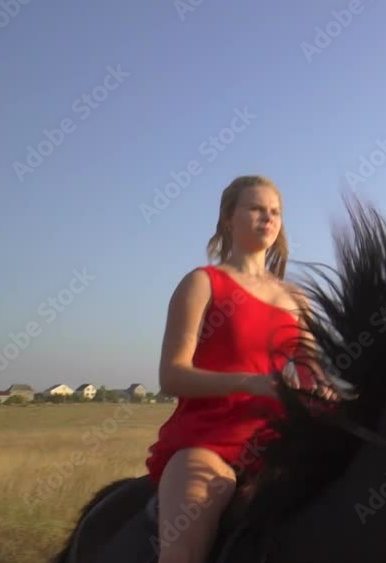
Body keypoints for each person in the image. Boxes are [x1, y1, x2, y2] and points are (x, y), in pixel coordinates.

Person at [145, 175, 338, 563]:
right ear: (228, 218)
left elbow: (310, 374)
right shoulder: (203, 283)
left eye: (275, 212)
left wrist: (330, 394)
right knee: (182, 554)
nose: (268, 218)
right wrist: (252, 383)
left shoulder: (296, 299)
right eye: (256, 208)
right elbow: (172, 375)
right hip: (208, 442)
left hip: (280, 444)